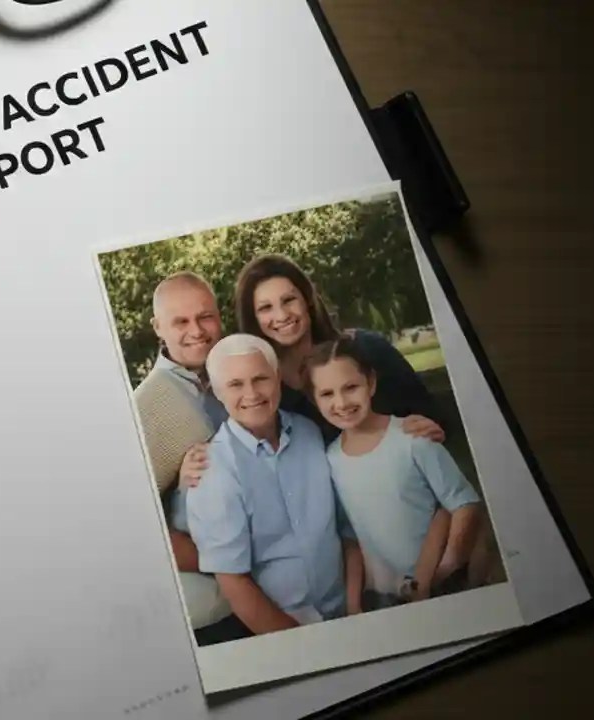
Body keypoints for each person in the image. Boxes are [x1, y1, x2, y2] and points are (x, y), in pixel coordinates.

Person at [185, 334, 363, 634]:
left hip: (347, 608)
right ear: (217, 393)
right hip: (285, 628)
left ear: (278, 377)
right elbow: (232, 580)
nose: (252, 393)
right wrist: (299, 643)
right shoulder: (211, 470)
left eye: (260, 379)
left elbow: (345, 530)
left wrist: (356, 609)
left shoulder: (309, 433)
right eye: (235, 384)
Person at [304, 334, 484, 608]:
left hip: (440, 587)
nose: (341, 403)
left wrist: (444, 570)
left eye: (351, 387)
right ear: (314, 399)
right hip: (383, 598)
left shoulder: (412, 437)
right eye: (327, 394)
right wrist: (354, 605)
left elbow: (464, 503)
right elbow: (351, 536)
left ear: (371, 383)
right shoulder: (330, 460)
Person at [131, 271, 239, 642]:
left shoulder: (234, 375)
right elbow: (134, 527)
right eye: (181, 321)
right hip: (212, 613)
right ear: (158, 327)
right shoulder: (148, 404)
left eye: (205, 316)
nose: (197, 330)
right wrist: (228, 561)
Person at [234, 253, 441, 444]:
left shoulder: (368, 349)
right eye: (265, 308)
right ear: (253, 319)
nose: (282, 315)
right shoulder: (263, 392)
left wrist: (425, 427)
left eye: (289, 300)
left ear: (308, 299)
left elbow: (428, 413)